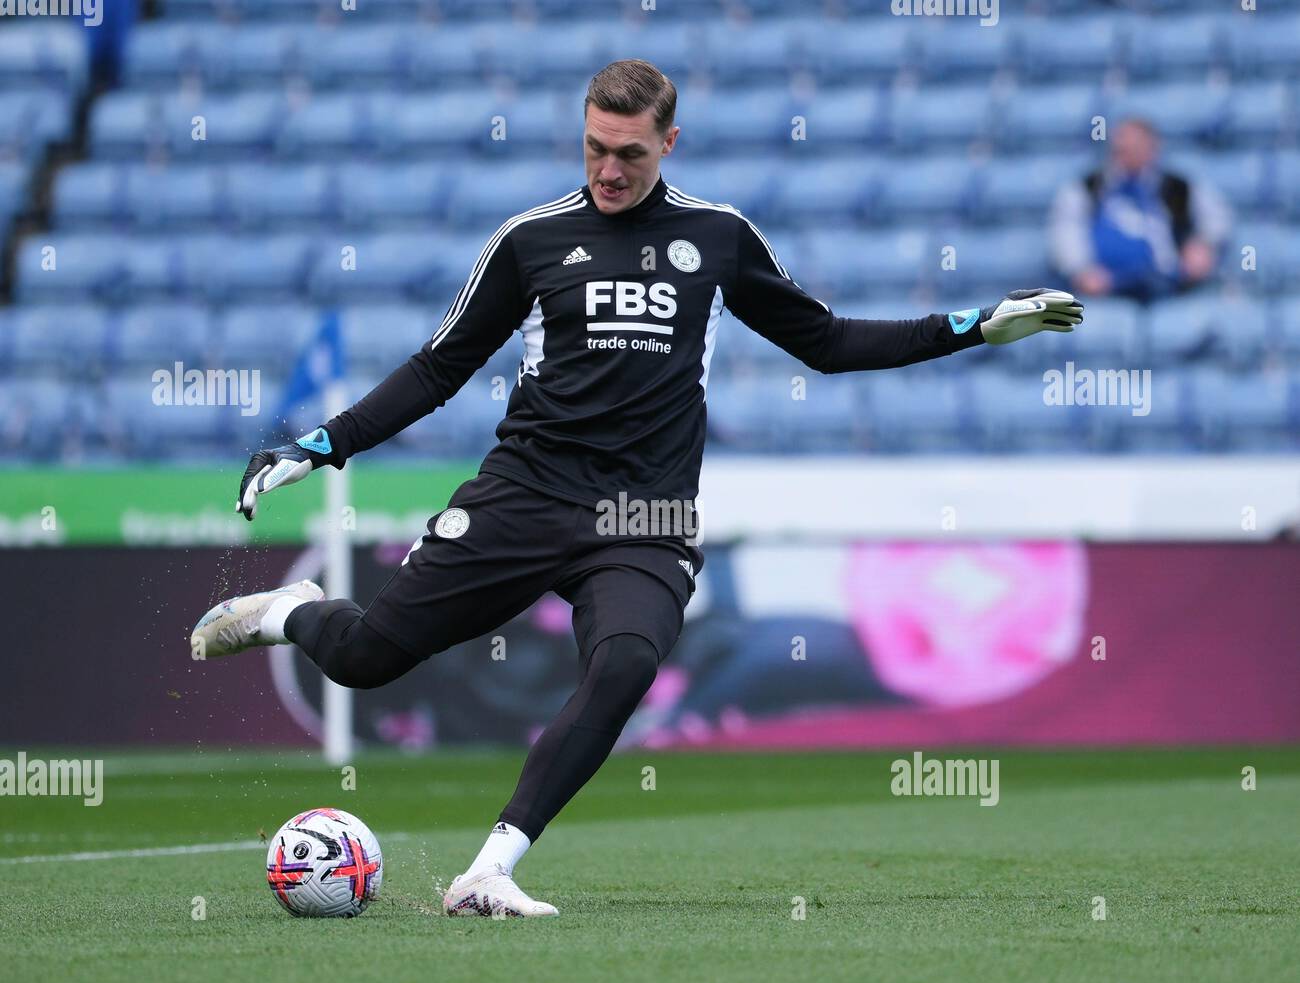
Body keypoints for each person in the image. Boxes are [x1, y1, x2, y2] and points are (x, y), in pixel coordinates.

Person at [191, 60, 1083, 918]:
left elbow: (828, 341)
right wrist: (321, 445)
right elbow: (439, 367)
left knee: (624, 664)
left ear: (670, 143)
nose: (610, 170)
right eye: (595, 149)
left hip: (642, 520)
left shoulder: (718, 238)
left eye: (631, 154)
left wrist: (970, 326)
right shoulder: (530, 240)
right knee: (363, 660)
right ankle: (290, 610)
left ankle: (489, 871)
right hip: (525, 494)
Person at [1048, 117, 1231, 301]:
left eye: (1137, 148)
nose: (1128, 156)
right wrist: (1081, 269)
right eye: (1122, 150)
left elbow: (1217, 217)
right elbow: (1066, 228)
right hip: (1106, 288)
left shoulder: (1179, 187)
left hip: (1169, 284)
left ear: (1153, 148)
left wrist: (1205, 244)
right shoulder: (1087, 188)